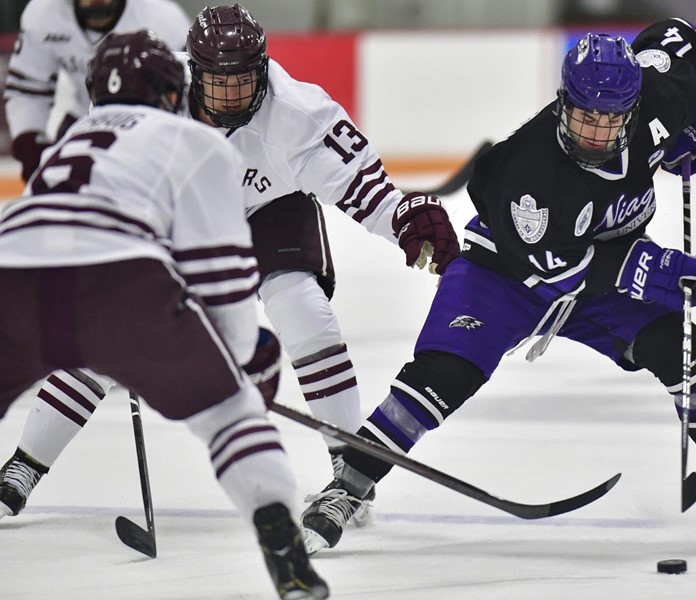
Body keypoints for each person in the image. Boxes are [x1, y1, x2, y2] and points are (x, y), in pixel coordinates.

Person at [295, 20, 696, 553]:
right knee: (440, 378)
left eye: (611, 121)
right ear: (563, 102)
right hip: (507, 273)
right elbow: (566, 272)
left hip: (602, 272)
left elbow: (680, 42)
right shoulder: (529, 177)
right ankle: (346, 488)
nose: (595, 133)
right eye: (585, 116)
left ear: (634, 108)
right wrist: (655, 269)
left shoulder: (658, 98)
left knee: (689, 356)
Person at [0, 3, 459, 537]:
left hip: (271, 212)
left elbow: (365, 191)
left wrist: (404, 219)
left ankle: (349, 470)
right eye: (219, 83)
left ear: (263, 70)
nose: (232, 96)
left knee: (301, 307)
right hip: (183, 218)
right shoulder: (154, 93)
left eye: (244, 81)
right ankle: (22, 470)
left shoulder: (298, 112)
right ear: (195, 73)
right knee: (99, 339)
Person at [0, 30, 327, 600]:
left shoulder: (72, 136)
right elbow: (223, 278)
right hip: (120, 280)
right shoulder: (192, 141)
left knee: (81, 357)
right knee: (231, 414)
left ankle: (18, 472)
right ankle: (282, 542)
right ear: (176, 90)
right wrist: (243, 359)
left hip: (10, 271)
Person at [4, 0, 190, 184]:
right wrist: (29, 141)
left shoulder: (165, 20)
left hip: (150, 128)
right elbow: (28, 89)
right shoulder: (43, 16)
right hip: (82, 121)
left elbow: (190, 90)